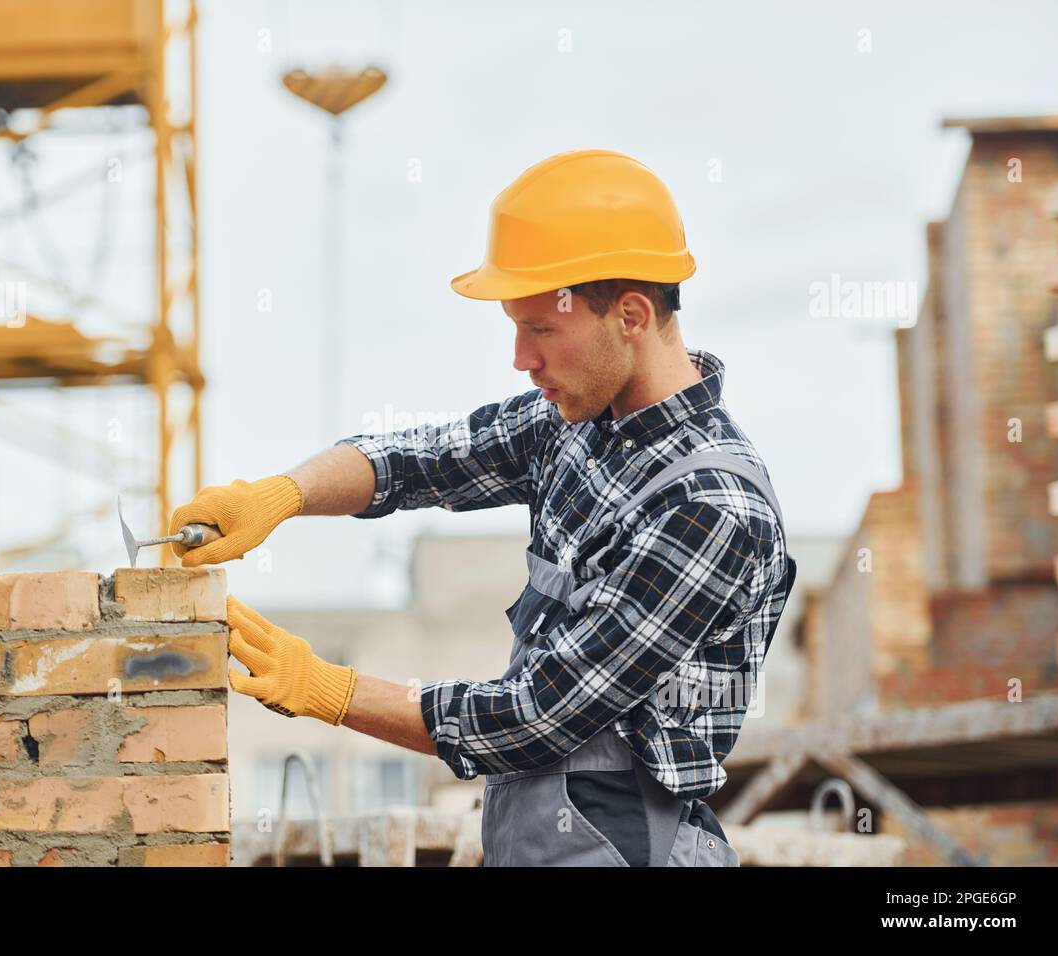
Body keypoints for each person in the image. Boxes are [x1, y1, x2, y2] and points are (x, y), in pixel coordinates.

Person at [169, 149, 798, 866]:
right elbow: (420, 458)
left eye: (541, 330)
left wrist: (326, 688)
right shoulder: (576, 426)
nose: (521, 359)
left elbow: (536, 716)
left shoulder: (710, 510)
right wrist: (279, 496)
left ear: (630, 315)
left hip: (631, 845)